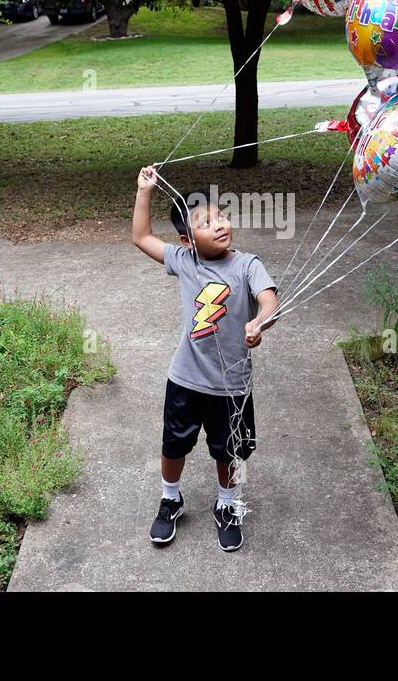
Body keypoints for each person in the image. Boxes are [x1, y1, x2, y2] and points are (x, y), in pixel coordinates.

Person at [131, 166, 279, 552]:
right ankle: (170, 499)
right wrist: (144, 191)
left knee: (229, 452)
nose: (218, 225)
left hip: (232, 388)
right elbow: (141, 237)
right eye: (205, 223)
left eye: (220, 216)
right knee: (173, 445)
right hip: (185, 379)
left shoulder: (248, 264)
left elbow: (269, 300)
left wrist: (259, 322)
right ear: (186, 240)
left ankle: (227, 505)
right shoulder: (184, 261)